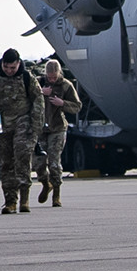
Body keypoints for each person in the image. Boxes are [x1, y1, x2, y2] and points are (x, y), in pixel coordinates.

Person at [0, 49, 50, 212]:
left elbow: (38, 101)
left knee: (22, 157)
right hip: (2, 124)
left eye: (12, 68)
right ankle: (10, 201)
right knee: (5, 161)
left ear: (18, 64)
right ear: (2, 63)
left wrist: (36, 128)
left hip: (24, 122)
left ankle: (24, 199)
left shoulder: (27, 77)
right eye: (6, 67)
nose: (9, 71)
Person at [34, 57, 84, 206]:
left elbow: (77, 106)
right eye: (49, 77)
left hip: (58, 128)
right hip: (41, 129)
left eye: (54, 77)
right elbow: (26, 97)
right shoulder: (38, 83)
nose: (52, 80)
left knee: (54, 162)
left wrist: (62, 103)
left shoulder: (66, 86)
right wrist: (41, 92)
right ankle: (45, 183)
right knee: (39, 162)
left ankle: (56, 193)